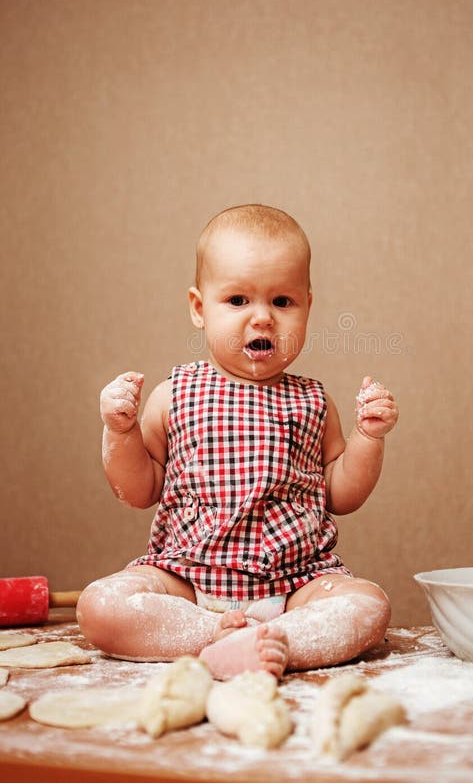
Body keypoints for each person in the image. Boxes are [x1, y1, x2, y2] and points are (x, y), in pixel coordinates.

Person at [77, 204, 398, 680]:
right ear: (199, 308)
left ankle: (282, 641)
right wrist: (120, 432)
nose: (263, 318)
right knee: (100, 606)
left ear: (307, 306)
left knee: (368, 605)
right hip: (187, 580)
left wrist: (367, 438)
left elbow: (341, 495)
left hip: (294, 584)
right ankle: (212, 637)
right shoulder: (173, 395)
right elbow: (138, 489)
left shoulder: (313, 401)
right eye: (238, 301)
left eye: (282, 302)